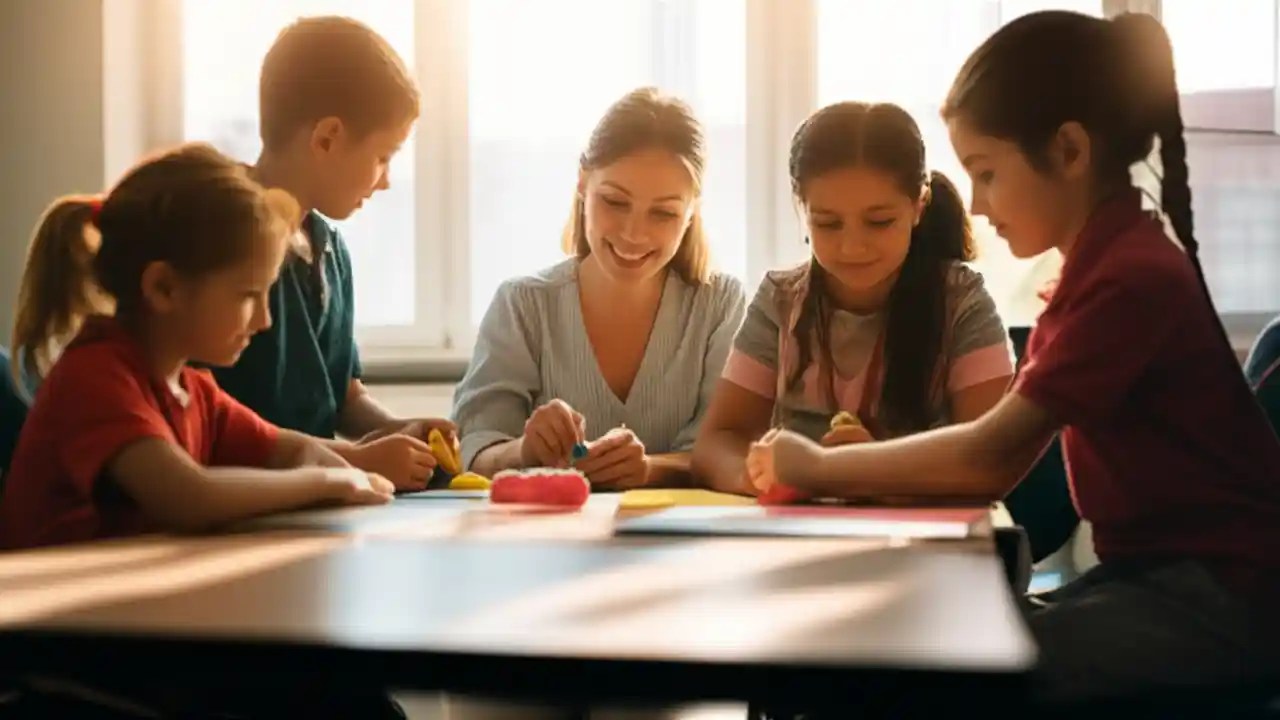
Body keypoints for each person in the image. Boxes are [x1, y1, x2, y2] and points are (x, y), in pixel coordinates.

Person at [747, 11, 1280, 703]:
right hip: (1163, 583)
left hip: (1223, 601)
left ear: (1068, 150)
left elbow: (989, 455)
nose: (974, 202)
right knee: (924, 637)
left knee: (938, 664)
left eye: (987, 173)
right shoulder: (1100, 269)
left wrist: (818, 465)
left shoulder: (1129, 280)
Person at [0, 143, 393, 552]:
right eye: (247, 296)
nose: (264, 321)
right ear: (163, 288)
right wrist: (326, 482)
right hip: (53, 609)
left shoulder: (193, 390)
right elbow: (189, 497)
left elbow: (293, 448)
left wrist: (349, 471)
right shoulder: (94, 378)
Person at [693, 101, 1012, 495]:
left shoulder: (962, 302)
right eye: (827, 223)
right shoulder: (781, 299)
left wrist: (867, 470)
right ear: (800, 208)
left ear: (919, 206)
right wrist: (755, 476)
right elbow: (717, 441)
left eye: (879, 222)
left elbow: (991, 460)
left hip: (921, 542)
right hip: (798, 534)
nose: (852, 246)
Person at [453, 87, 746, 489]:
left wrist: (651, 469)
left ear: (692, 211)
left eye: (663, 213)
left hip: (682, 547)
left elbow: (730, 448)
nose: (633, 234)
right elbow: (473, 452)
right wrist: (524, 451)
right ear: (582, 183)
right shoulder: (523, 305)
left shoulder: (721, 307)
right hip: (548, 543)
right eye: (615, 202)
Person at [209, 15, 454, 491]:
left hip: (315, 498)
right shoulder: (223, 232)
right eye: (383, 156)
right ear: (327, 138)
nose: (384, 181)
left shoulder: (330, 249)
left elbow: (343, 397)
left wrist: (397, 432)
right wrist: (361, 460)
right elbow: (216, 423)